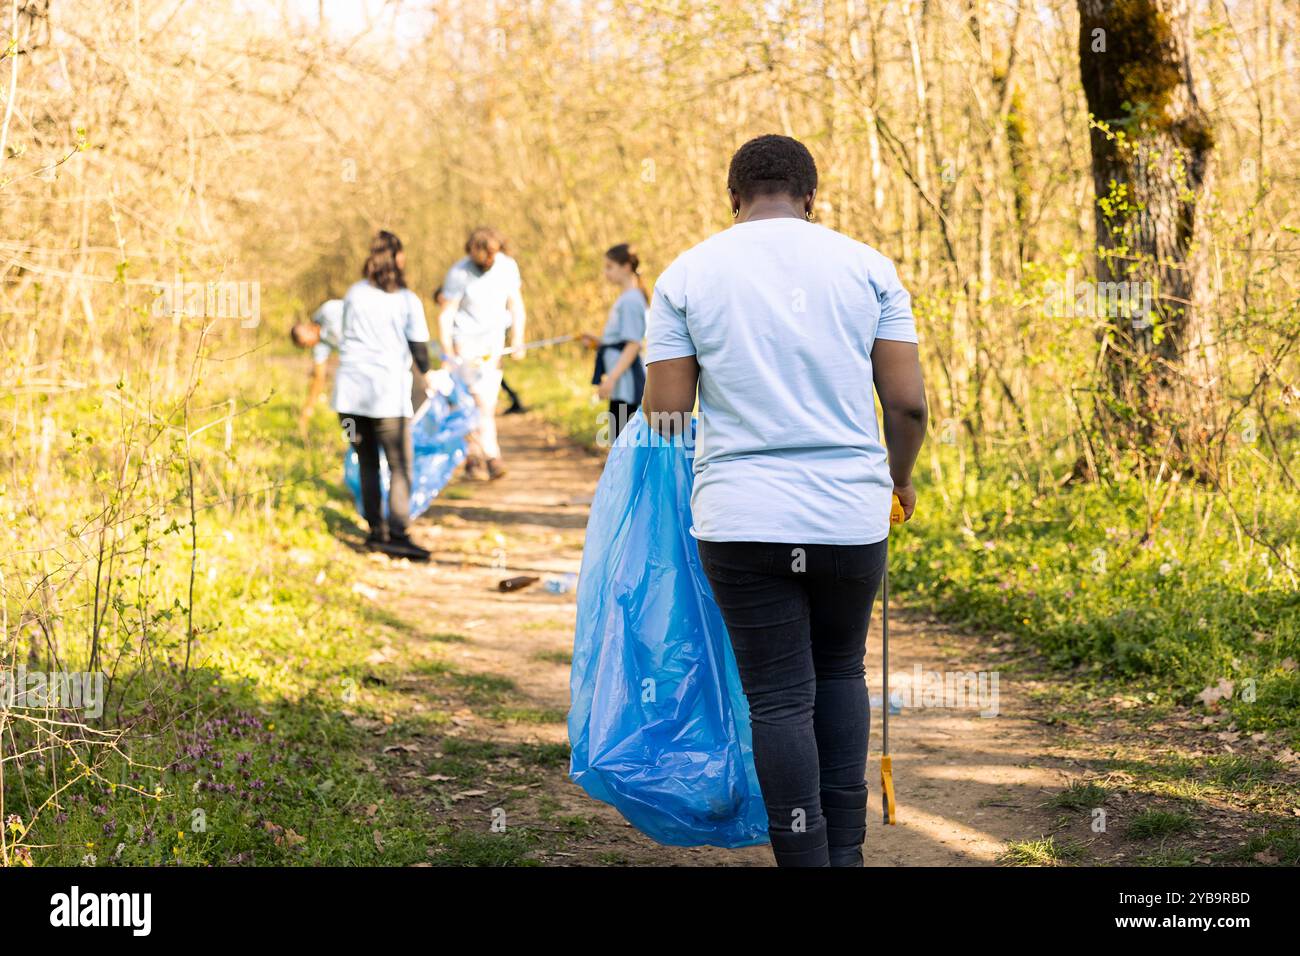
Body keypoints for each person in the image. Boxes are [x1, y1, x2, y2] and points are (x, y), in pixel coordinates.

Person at [642, 134, 928, 867]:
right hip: (848, 516)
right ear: (811, 198)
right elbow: (907, 406)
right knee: (840, 670)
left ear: (733, 197)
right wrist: (897, 480)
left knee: (776, 699)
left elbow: (667, 415)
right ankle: (850, 854)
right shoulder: (867, 268)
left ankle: (804, 860)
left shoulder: (686, 274)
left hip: (741, 520)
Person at [334, 230, 435, 562]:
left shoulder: (354, 293)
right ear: (399, 260)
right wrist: (429, 375)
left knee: (366, 463)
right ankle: (399, 534)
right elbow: (419, 347)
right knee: (400, 465)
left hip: (349, 397)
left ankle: (376, 532)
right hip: (385, 396)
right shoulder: (406, 300)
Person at [437, 227, 527, 480]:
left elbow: (516, 305)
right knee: (474, 403)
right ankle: (488, 455)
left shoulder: (507, 267)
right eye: (483, 255)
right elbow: (446, 314)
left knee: (486, 403)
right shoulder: (458, 273)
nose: (488, 260)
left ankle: (477, 455)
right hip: (465, 346)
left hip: (494, 346)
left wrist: (518, 339)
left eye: (492, 254)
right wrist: (448, 352)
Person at [580, 243, 647, 442]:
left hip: (626, 385)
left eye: (609, 266)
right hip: (620, 384)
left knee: (623, 443)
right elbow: (619, 339)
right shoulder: (625, 298)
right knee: (618, 440)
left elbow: (634, 344)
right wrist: (600, 343)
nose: (605, 272)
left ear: (626, 266)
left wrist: (611, 379)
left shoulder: (631, 300)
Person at [434, 284, 525, 415]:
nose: (442, 305)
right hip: (466, 357)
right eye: (440, 303)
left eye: (442, 301)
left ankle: (500, 403)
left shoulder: (472, 309)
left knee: (486, 380)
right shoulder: (454, 315)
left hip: (483, 350)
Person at [291, 298, 344, 436]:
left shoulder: (328, 311)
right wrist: (307, 409)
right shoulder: (319, 346)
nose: (308, 345)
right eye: (305, 346)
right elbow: (318, 378)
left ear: (308, 328)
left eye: (305, 341)